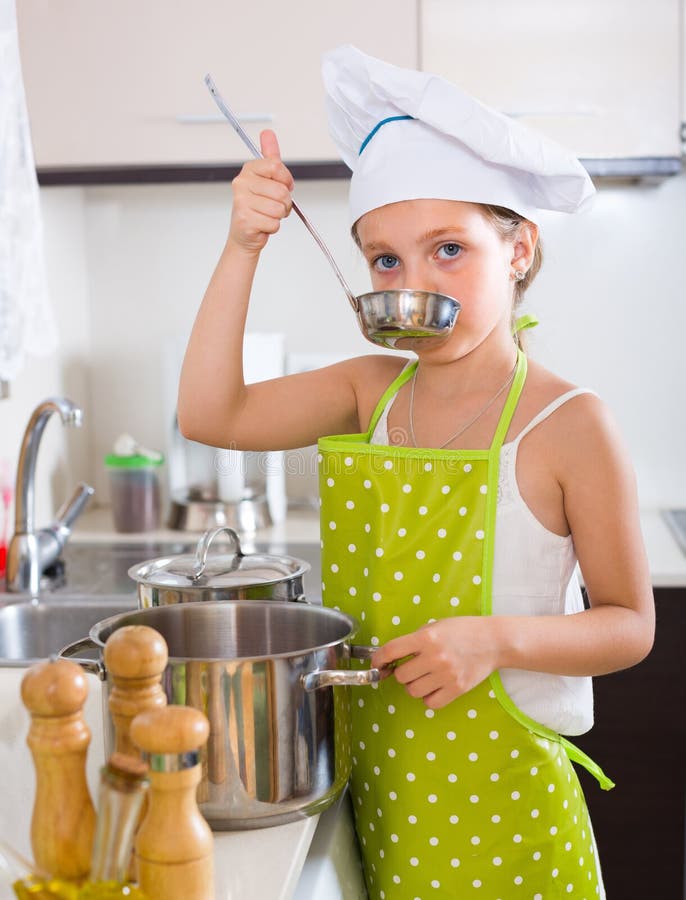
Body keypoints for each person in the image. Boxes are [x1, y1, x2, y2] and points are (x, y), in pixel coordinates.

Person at [178, 45, 654, 900]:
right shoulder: (371, 392)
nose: (415, 281)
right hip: (382, 790)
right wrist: (244, 244)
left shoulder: (569, 424)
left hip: (512, 811)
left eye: (448, 250)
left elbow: (629, 626)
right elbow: (212, 414)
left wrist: (493, 638)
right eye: (386, 261)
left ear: (517, 249)